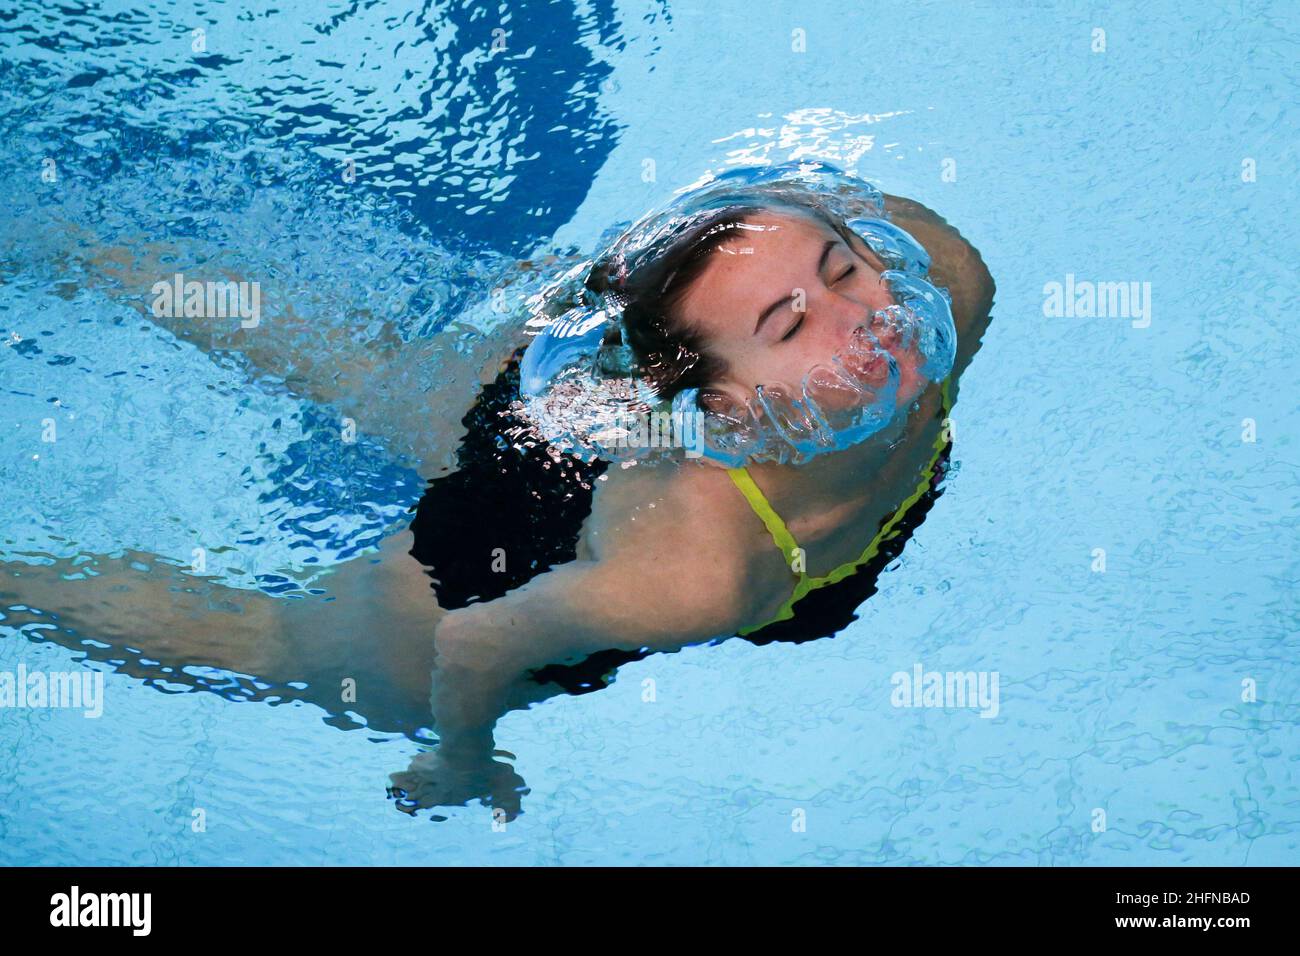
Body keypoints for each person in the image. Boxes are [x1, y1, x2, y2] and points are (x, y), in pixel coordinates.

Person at [2, 188, 993, 819]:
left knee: (376, 377)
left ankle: (77, 247)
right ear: (723, 408)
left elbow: (794, 212)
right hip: (507, 561)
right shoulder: (697, 572)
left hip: (544, 399)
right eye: (790, 322)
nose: (869, 317)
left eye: (843, 266)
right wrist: (462, 756)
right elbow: (475, 643)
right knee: (269, 644)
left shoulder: (947, 284)